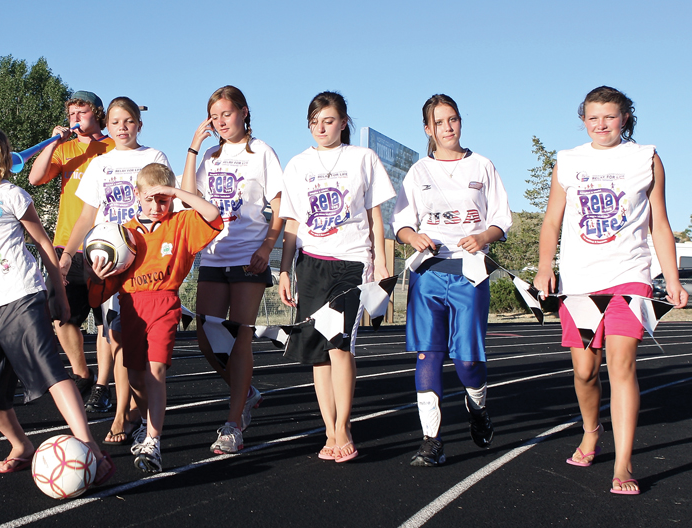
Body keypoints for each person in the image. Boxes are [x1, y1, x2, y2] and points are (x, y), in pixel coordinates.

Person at [0, 123, 114, 484]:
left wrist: (57, 292)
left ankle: (89, 446)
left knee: (50, 372)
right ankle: (21, 445)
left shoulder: (12, 195)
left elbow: (44, 244)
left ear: (1, 161)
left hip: (23, 294)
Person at [534, 86, 688, 495]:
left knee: (622, 367)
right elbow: (551, 221)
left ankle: (623, 464)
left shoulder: (646, 157)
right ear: (583, 119)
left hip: (629, 277)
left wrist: (671, 278)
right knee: (585, 371)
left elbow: (659, 223)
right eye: (593, 117)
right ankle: (591, 429)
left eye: (610, 116)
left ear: (625, 119)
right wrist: (544, 267)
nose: (601, 124)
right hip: (580, 283)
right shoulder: (568, 161)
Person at [391, 94, 512, 467]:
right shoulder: (418, 172)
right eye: (439, 122)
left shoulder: (482, 165)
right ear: (428, 129)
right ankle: (432, 441)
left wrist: (484, 237)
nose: (448, 127)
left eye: (453, 119)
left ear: (461, 122)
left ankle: (477, 407)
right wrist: (413, 238)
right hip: (429, 274)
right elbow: (401, 223)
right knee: (428, 354)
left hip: (470, 274)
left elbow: (501, 219)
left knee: (467, 362)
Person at [278, 91, 394, 462]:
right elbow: (292, 222)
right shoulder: (298, 164)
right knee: (317, 354)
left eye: (328, 120)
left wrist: (381, 263)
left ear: (343, 122)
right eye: (315, 122)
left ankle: (343, 425)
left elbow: (376, 215)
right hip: (310, 263)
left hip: (352, 262)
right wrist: (284, 269)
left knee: (339, 344)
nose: (321, 128)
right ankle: (328, 430)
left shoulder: (363, 158)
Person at [87, 163, 222, 472]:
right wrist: (95, 276)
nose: (157, 206)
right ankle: (143, 424)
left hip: (164, 303)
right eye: (150, 199)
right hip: (131, 305)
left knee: (155, 371)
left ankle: (153, 440)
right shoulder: (122, 234)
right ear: (137, 195)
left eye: (163, 200)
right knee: (135, 378)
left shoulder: (182, 221)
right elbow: (98, 292)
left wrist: (176, 191)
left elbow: (214, 216)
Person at [63, 96, 172, 450]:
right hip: (109, 261)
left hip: (145, 260)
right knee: (116, 339)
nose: (122, 127)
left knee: (134, 341)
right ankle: (126, 410)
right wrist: (67, 255)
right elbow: (86, 215)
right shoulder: (100, 164)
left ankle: (125, 412)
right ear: (106, 125)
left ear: (139, 123)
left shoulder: (153, 157)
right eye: (115, 121)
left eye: (128, 120)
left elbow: (167, 208)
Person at [180, 86, 284, 453]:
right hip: (213, 255)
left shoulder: (262, 153)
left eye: (227, 113)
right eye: (215, 116)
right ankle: (247, 391)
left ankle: (233, 422)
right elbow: (187, 196)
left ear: (243, 112)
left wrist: (268, 247)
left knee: (240, 339)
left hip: (248, 258)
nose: (221, 121)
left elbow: (279, 204)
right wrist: (194, 147)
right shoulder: (208, 155)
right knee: (206, 338)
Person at [28, 90, 114, 412]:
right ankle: (82, 374)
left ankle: (103, 385)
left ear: (98, 114)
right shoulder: (64, 149)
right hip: (66, 244)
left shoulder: (111, 148)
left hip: (104, 243)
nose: (75, 120)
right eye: (71, 114)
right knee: (62, 316)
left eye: (82, 113)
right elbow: (35, 178)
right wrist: (53, 142)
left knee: (106, 320)